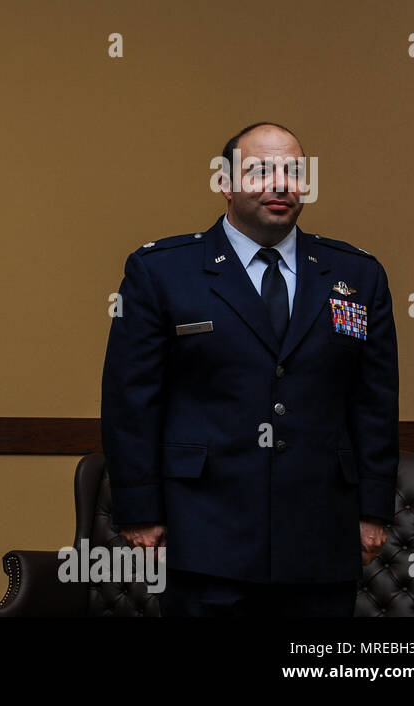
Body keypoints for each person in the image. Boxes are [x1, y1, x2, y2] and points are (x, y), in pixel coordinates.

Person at [101, 122, 397, 616]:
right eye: (261, 171)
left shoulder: (357, 275)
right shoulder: (162, 271)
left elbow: (375, 401)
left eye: (293, 171)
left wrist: (373, 509)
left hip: (321, 533)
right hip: (204, 531)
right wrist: (138, 511)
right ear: (224, 181)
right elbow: (130, 400)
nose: (280, 184)